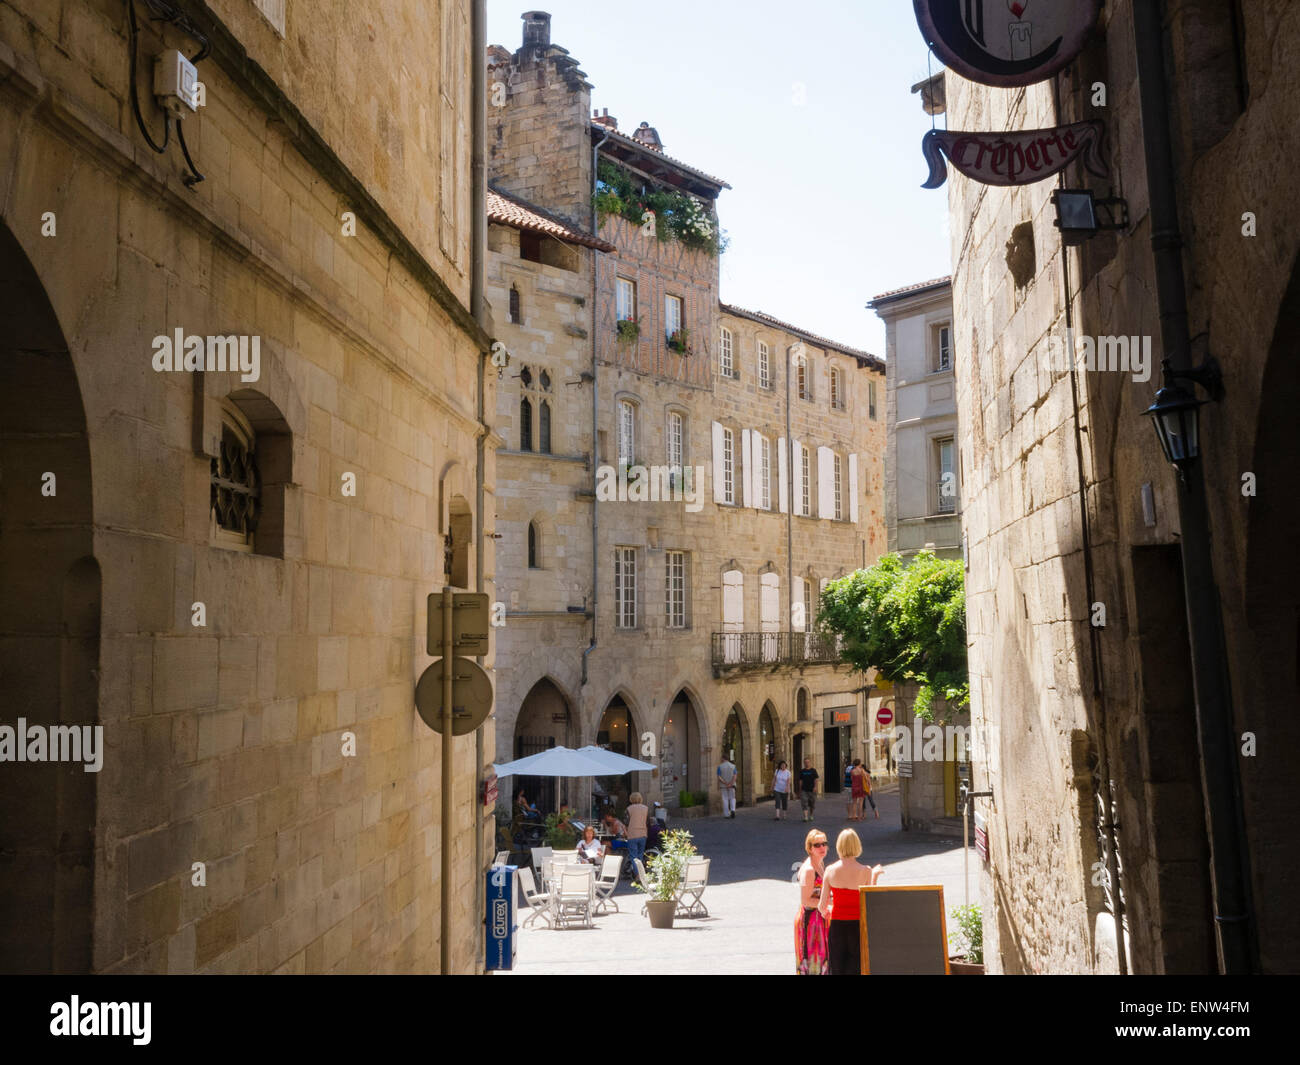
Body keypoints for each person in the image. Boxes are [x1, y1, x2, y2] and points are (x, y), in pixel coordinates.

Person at [818, 828, 884, 975]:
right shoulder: (865, 870)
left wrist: (828, 911)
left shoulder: (829, 870)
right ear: (857, 845)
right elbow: (869, 901)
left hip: (837, 925)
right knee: (856, 967)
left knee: (837, 968)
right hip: (857, 925)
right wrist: (875, 875)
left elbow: (822, 906)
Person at [794, 829, 830, 975]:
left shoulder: (820, 863)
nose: (822, 848)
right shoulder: (809, 870)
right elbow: (805, 899)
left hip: (819, 918)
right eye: (817, 845)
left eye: (824, 843)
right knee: (813, 965)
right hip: (810, 922)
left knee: (822, 963)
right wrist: (827, 903)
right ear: (810, 848)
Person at [625, 792, 650, 870]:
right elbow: (648, 822)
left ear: (631, 799)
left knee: (633, 856)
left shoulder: (629, 809)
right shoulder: (646, 808)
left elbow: (626, 821)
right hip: (643, 834)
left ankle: (638, 875)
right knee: (640, 856)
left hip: (632, 835)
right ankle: (640, 874)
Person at [798, 758, 819, 822]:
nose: (806, 763)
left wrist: (815, 787)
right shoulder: (802, 771)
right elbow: (800, 780)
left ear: (810, 763)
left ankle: (811, 815)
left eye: (808, 762)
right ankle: (806, 817)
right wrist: (800, 789)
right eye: (805, 762)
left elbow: (816, 779)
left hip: (812, 790)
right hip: (804, 790)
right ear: (804, 763)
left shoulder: (813, 770)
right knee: (804, 803)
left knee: (812, 804)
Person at [717, 753, 738, 818]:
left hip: (724, 786)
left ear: (723, 758)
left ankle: (726, 814)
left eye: (721, 758)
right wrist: (731, 783)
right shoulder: (733, 766)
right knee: (732, 798)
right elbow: (735, 776)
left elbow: (719, 777)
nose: (721, 759)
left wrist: (725, 783)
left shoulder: (720, 767)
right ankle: (733, 810)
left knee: (725, 799)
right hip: (732, 785)